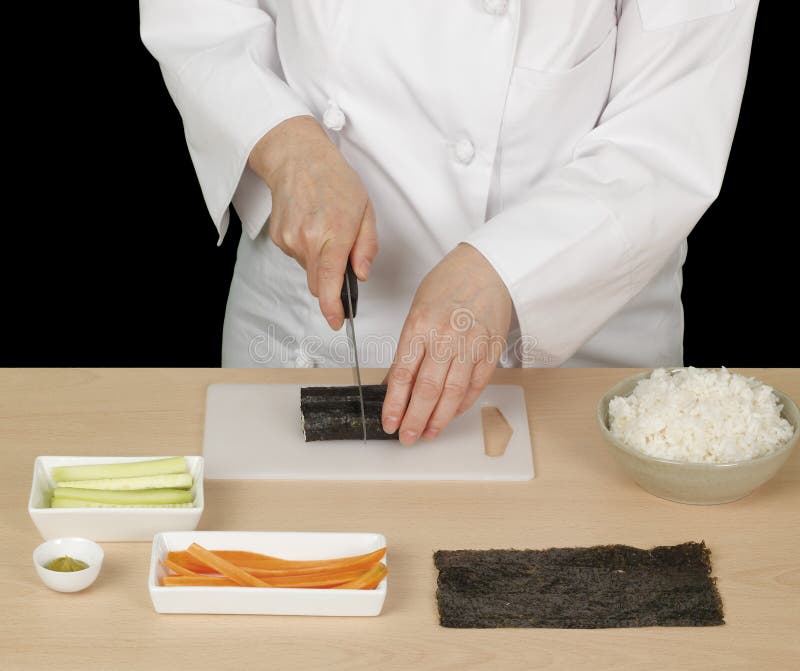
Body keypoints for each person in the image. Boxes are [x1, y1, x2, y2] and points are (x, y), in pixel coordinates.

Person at [140, 0, 758, 444]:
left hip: (576, 347)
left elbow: (668, 134)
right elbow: (197, 14)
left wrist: (509, 269)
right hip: (311, 331)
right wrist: (286, 146)